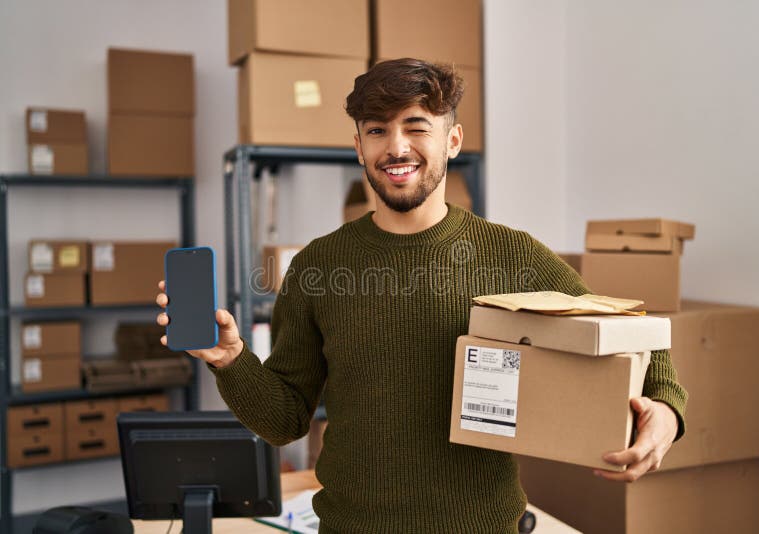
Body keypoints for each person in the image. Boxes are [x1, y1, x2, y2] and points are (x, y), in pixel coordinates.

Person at [156, 58, 687, 533]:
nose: (396, 147)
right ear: (358, 146)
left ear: (451, 141)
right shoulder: (317, 266)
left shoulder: (511, 254)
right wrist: (232, 361)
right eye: (377, 130)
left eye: (416, 127)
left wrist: (665, 407)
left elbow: (622, 333)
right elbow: (284, 420)